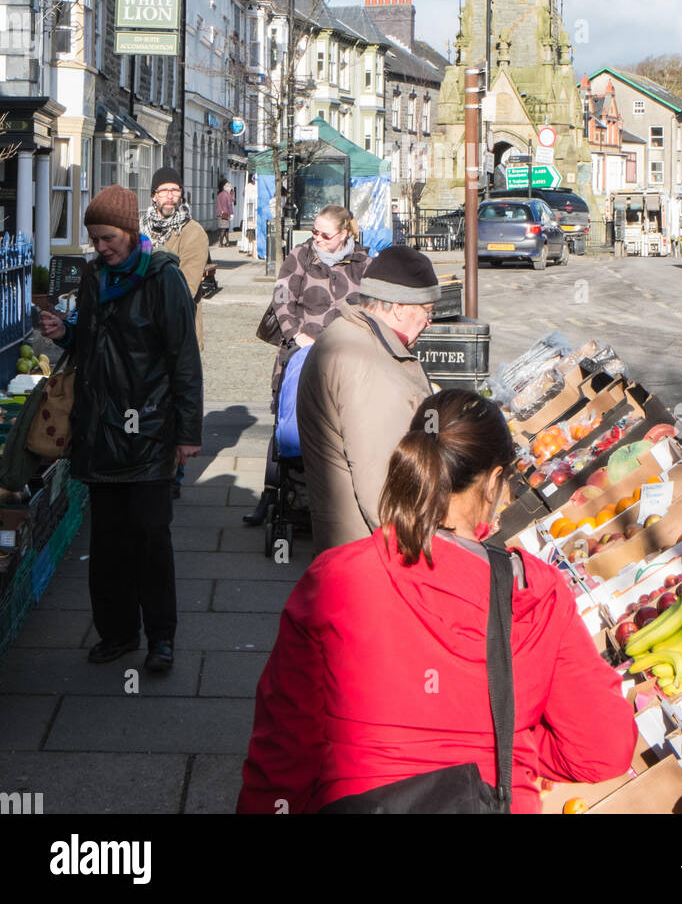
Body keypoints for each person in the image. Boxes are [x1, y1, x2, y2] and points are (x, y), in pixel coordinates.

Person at [236, 389, 637, 814]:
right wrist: (515, 739)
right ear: (492, 481)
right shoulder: (534, 592)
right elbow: (603, 749)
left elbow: (282, 753)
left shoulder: (335, 579)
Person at [40, 185, 203, 673]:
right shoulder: (94, 276)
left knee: (150, 538)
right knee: (108, 542)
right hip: (100, 430)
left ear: (130, 232)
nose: (100, 247)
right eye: (94, 239)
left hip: (150, 429)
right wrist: (65, 334)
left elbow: (184, 360)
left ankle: (161, 638)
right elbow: (91, 343)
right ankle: (116, 633)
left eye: (107, 237)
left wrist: (187, 432)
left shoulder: (163, 279)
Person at [295, 244, 439, 555]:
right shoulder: (368, 363)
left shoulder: (349, 334)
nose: (429, 323)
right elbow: (381, 485)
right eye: (427, 312)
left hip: (347, 545)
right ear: (400, 308)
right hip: (369, 553)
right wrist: (414, 550)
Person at [243, 204, 369, 526]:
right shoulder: (300, 256)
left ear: (344, 234)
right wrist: (296, 334)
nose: (317, 239)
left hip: (345, 361)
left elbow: (373, 309)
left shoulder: (364, 264)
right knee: (287, 425)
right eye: (314, 231)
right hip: (300, 354)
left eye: (325, 235)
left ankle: (333, 500)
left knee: (338, 427)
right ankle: (273, 493)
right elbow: (282, 297)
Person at [142, 166, 209, 498]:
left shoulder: (193, 232)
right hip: (141, 334)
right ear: (154, 195)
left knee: (177, 397)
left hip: (177, 330)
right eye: (164, 190)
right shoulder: (139, 230)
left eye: (175, 190)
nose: (170, 196)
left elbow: (186, 283)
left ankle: (175, 475)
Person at [216, 179, 234, 248]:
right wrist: (231, 213)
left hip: (220, 213)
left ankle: (227, 242)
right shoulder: (228, 195)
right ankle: (220, 243)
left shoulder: (219, 194)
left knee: (225, 229)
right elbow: (229, 205)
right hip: (225, 214)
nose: (231, 189)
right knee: (224, 229)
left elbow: (218, 204)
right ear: (228, 188)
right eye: (230, 188)